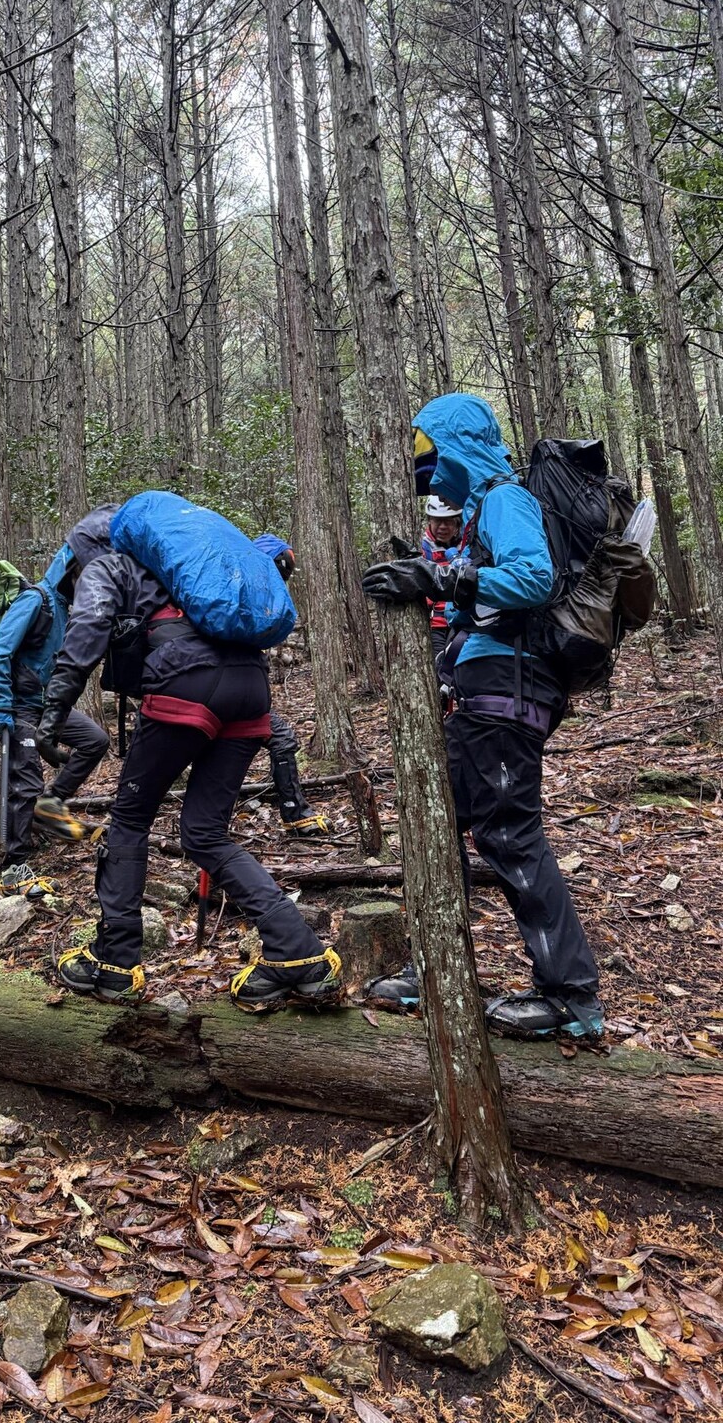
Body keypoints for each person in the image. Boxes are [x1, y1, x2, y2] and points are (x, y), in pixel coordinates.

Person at [360, 393, 604, 1041]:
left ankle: (572, 1000)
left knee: (510, 837)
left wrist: (440, 581)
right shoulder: (476, 509)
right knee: (444, 823)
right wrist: (430, 575)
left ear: (456, 445)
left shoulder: (504, 499)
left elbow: (532, 578)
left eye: (428, 450)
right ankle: (437, 969)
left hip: (508, 694)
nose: (423, 465)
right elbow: (483, 594)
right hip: (485, 695)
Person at [39, 505, 343, 1011]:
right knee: (203, 832)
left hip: (188, 683)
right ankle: (299, 952)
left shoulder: (111, 565)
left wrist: (54, 712)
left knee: (130, 819)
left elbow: (88, 627)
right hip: (251, 687)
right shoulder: (192, 574)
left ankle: (114, 960)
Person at [0, 544, 110, 888]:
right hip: (17, 705)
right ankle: (15, 866)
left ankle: (51, 804)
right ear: (70, 570)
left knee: (95, 741)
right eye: (83, 572)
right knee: (25, 782)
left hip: (48, 707)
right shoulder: (35, 600)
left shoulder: (67, 610)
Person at [251, 534, 331, 840]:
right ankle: (295, 815)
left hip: (231, 690)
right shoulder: (254, 590)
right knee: (281, 738)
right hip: (234, 694)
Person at [420, 496, 462, 661]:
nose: (443, 527)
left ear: (457, 523)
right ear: (430, 520)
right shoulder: (423, 547)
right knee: (440, 668)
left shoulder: (467, 546)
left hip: (463, 622)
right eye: (438, 521)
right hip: (436, 624)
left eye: (449, 521)